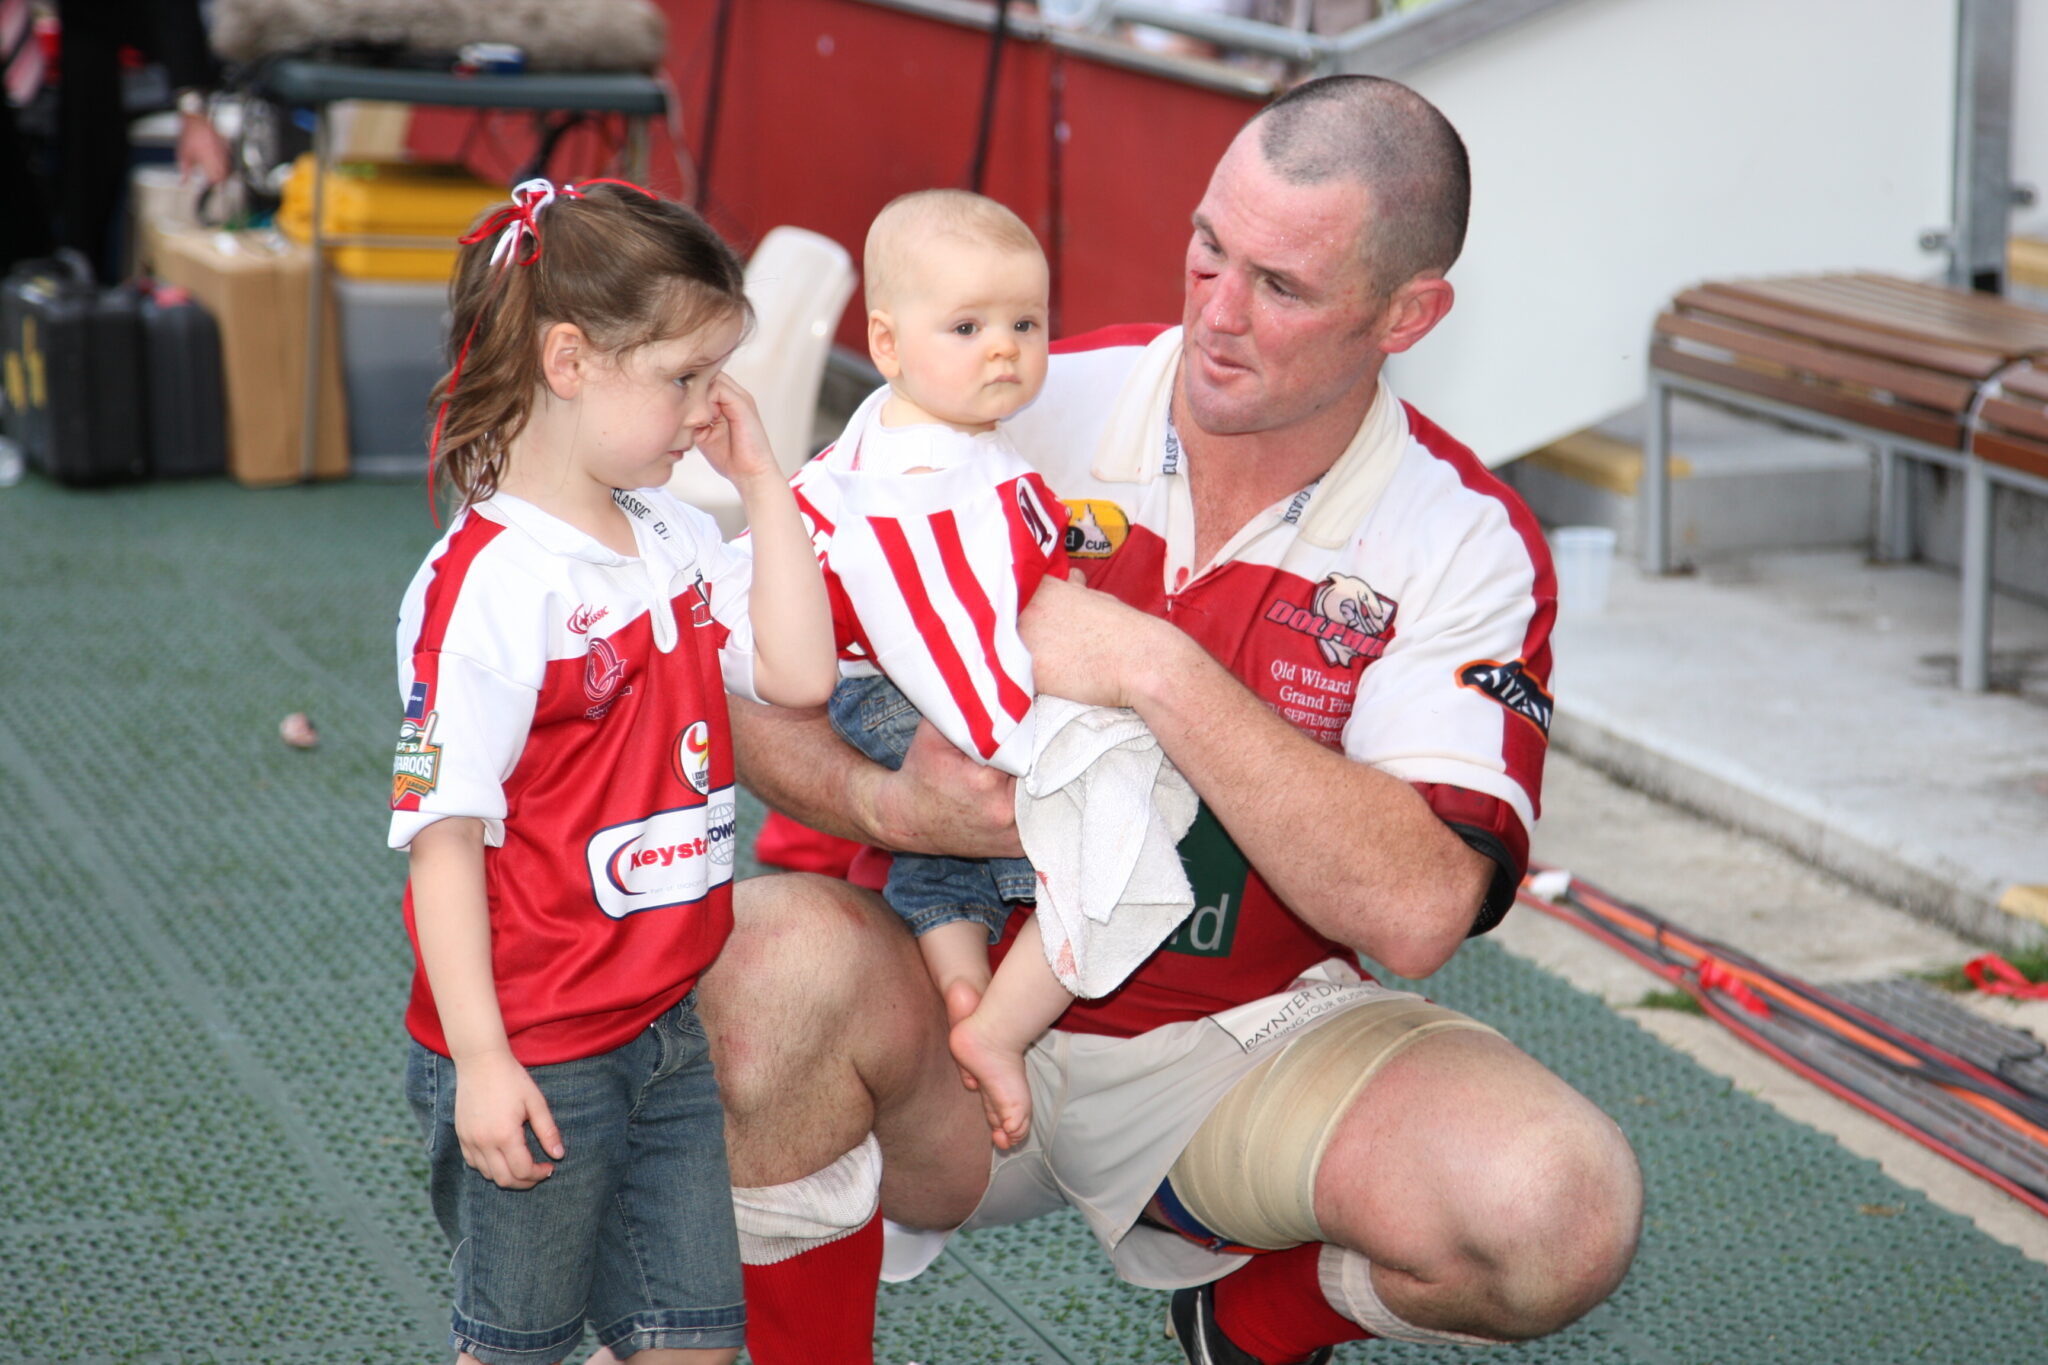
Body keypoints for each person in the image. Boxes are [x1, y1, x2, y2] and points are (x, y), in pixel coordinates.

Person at [710, 74, 1643, 1365]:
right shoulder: (1012, 395)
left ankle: (1249, 1323)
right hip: (949, 1008)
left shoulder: (1465, 538)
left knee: (1559, 1209)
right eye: (1210, 246)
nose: (1215, 313)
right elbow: (749, 686)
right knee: (757, 965)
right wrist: (886, 803)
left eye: (1282, 286)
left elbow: (1423, 910)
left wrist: (1159, 669)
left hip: (1243, 1044)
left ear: (1409, 314)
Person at [387, 179, 835, 1365]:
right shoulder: (486, 586)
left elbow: (796, 675)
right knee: (517, 1344)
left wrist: (762, 485)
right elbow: (442, 844)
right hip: (537, 1045)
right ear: (572, 359)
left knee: (691, 1341)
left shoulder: (673, 534)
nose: (709, 407)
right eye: (683, 378)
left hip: (663, 1027)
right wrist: (481, 1062)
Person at [795, 188, 1197, 1152]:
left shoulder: (907, 434)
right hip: (921, 685)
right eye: (968, 325)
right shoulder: (932, 483)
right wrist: (1019, 731)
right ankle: (1001, 1027)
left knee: (941, 841)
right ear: (887, 344)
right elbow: (936, 628)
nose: (1005, 348)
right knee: (1117, 816)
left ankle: (957, 967)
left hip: (891, 679)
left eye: (1026, 322)